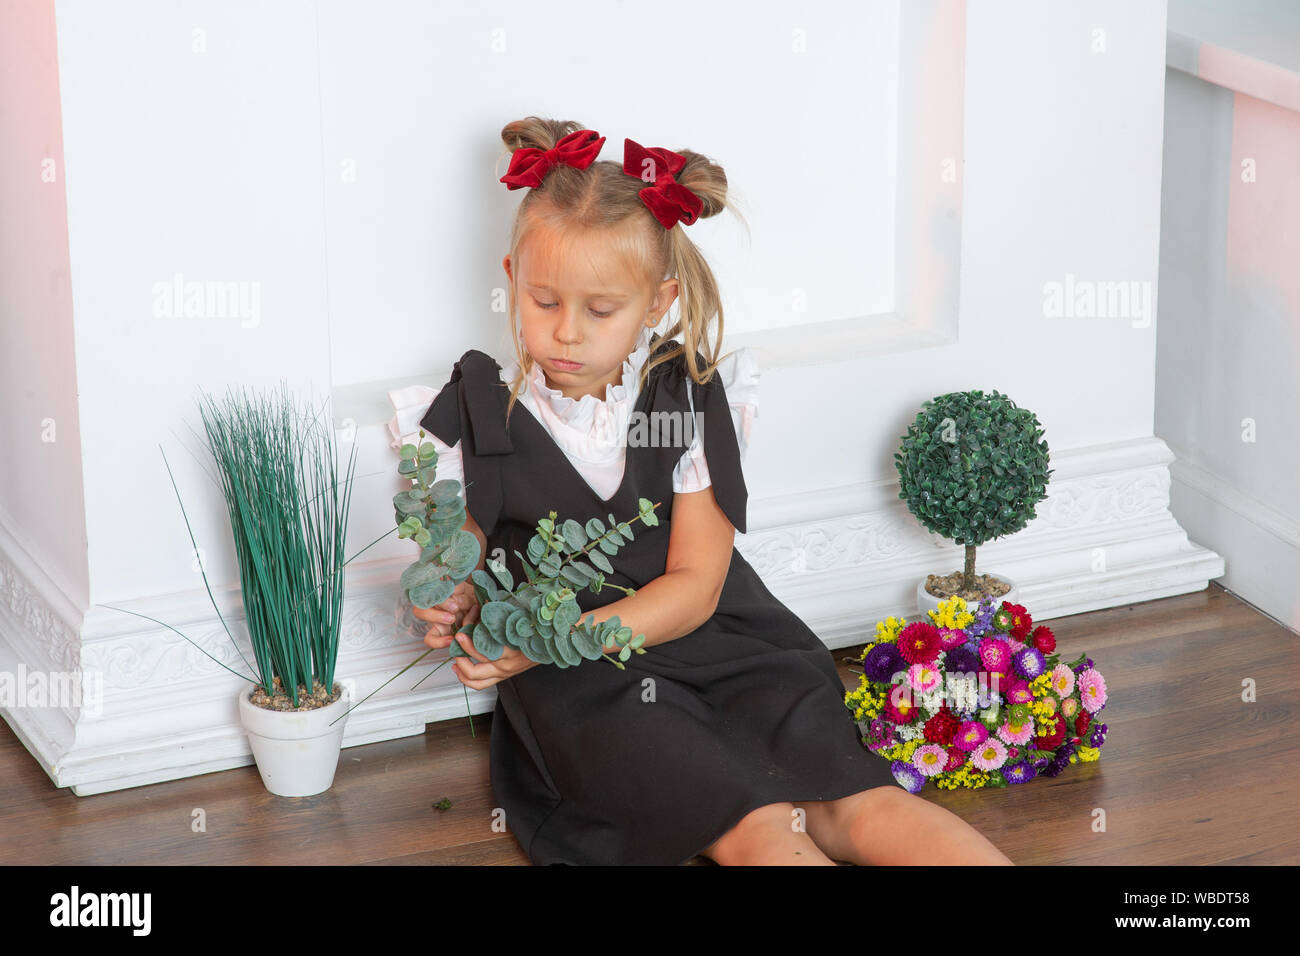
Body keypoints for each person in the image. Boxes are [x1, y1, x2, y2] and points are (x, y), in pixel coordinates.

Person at [386, 116, 1013, 866]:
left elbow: (694, 586)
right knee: (758, 826)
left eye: (601, 309)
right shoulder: (480, 404)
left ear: (657, 302)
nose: (566, 334)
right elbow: (468, 554)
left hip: (717, 639)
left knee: (858, 804)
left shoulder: (686, 395)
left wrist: (562, 638)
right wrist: (453, 597)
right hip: (587, 685)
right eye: (544, 300)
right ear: (511, 276)